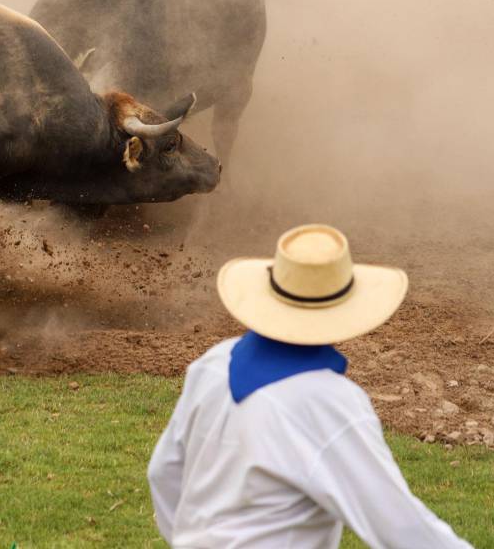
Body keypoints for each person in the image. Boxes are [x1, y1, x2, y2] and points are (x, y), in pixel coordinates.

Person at [147, 224, 472, 548]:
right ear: (344, 305)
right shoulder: (327, 401)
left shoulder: (214, 364)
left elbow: (163, 473)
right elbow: (400, 528)